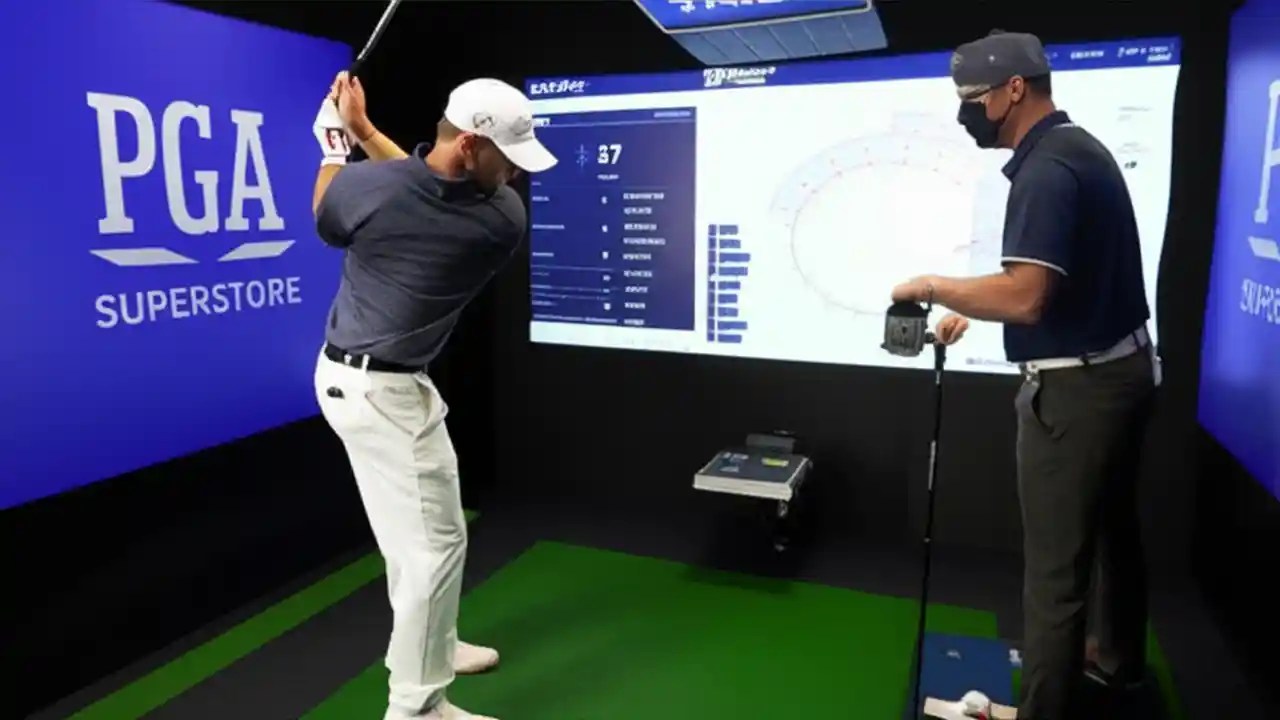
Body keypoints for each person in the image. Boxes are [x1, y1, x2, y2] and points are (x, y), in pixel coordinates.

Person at [890, 31, 1160, 719]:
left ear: (1015, 90)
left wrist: (932, 285)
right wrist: (978, 312)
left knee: (1054, 574)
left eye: (973, 100)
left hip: (1077, 394)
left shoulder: (1045, 170)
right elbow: (1065, 284)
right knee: (1114, 534)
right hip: (1122, 369)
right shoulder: (1079, 149)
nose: (967, 113)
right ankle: (1118, 665)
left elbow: (1028, 295)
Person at [309, 72, 556, 720]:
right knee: (432, 548)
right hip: (379, 394)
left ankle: (432, 647)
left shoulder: (485, 213)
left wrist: (339, 144)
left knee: (419, 541)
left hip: (367, 384)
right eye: (509, 158)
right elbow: (415, 188)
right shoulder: (497, 215)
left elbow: (334, 212)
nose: (519, 177)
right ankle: (416, 708)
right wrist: (360, 134)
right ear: (472, 147)